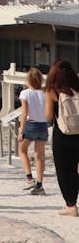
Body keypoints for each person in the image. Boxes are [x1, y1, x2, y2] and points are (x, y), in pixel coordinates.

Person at [45, 59, 79, 216]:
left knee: (64, 170)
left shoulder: (52, 91)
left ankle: (71, 205)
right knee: (75, 170)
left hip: (63, 134)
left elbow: (48, 116)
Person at [18, 67, 47, 195]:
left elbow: (24, 113)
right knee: (39, 156)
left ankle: (29, 178)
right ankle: (40, 184)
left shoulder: (25, 93)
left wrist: (21, 130)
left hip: (30, 125)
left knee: (22, 150)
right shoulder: (45, 93)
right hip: (42, 125)